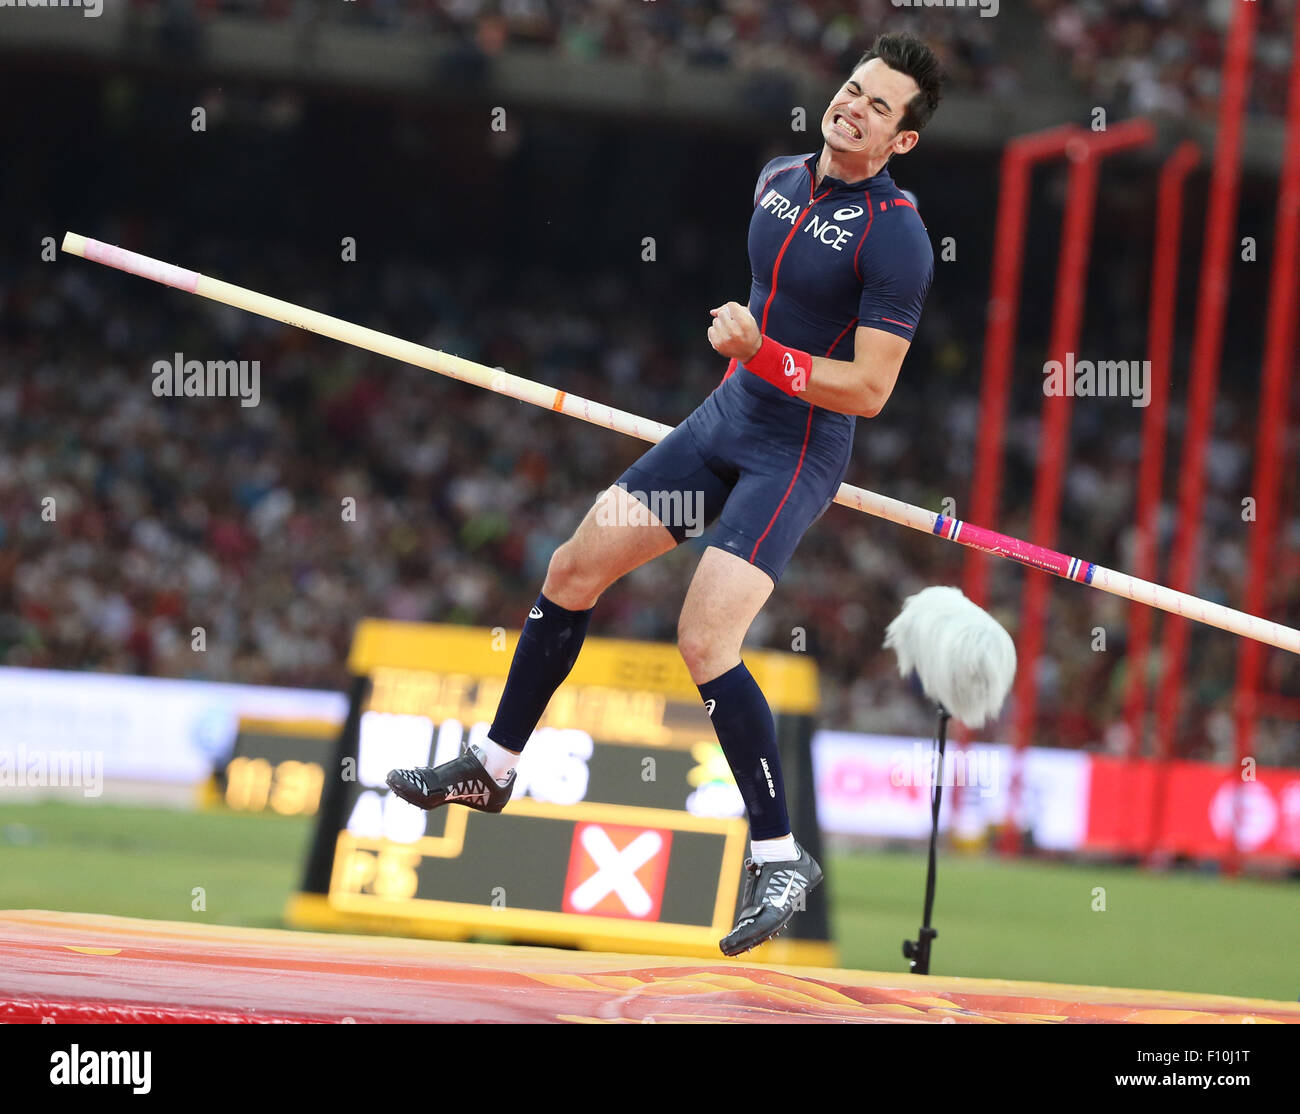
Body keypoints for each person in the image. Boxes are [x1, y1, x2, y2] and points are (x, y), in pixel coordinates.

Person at [388, 31, 942, 956]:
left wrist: (763, 355)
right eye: (852, 88)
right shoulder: (776, 176)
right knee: (572, 570)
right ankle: (492, 766)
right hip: (723, 428)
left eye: (880, 106)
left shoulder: (900, 236)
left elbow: (873, 389)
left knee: (703, 638)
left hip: (792, 454)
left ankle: (777, 857)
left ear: (903, 140)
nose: (854, 106)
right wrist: (750, 366)